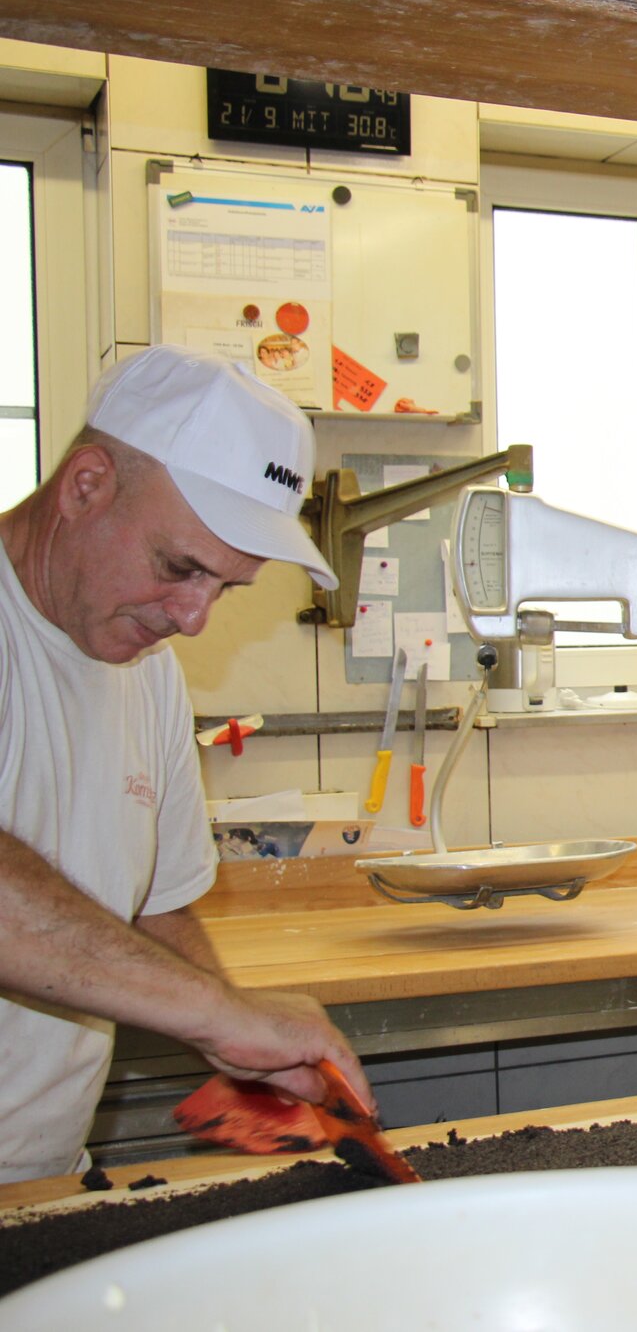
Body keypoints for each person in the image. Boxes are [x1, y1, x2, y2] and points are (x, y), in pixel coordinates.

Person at [0, 344, 374, 1184]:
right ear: (86, 484)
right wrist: (218, 1016)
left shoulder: (148, 670)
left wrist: (249, 1051)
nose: (195, 618)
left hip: (38, 1181)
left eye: (226, 588)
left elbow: (147, 910)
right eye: (180, 568)